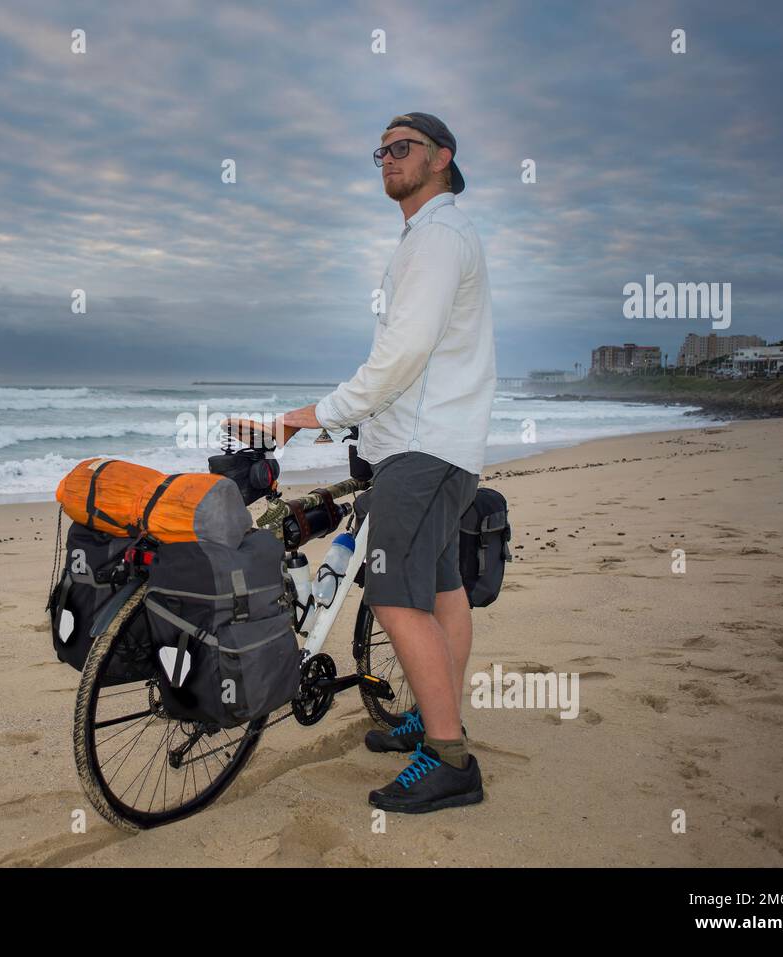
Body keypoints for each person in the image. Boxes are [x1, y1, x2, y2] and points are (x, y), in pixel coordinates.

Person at [279, 112, 496, 813]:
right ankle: (433, 720)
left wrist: (322, 412)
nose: (387, 158)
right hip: (441, 444)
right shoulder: (437, 235)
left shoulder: (436, 236)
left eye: (403, 147)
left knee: (395, 594)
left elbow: (403, 354)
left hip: (423, 449)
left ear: (443, 157)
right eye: (381, 150)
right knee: (440, 588)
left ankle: (448, 758)